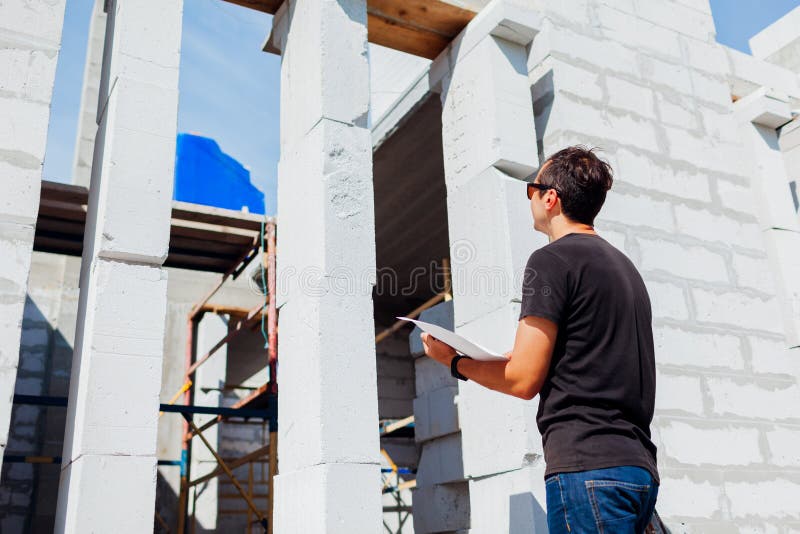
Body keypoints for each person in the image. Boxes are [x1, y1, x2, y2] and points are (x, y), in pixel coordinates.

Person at [420, 145, 659, 533]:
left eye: (531, 189)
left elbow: (523, 380)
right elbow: (584, 359)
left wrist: (452, 361)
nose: (529, 197)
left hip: (587, 470)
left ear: (551, 198)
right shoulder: (624, 268)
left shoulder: (551, 260)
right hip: (637, 470)